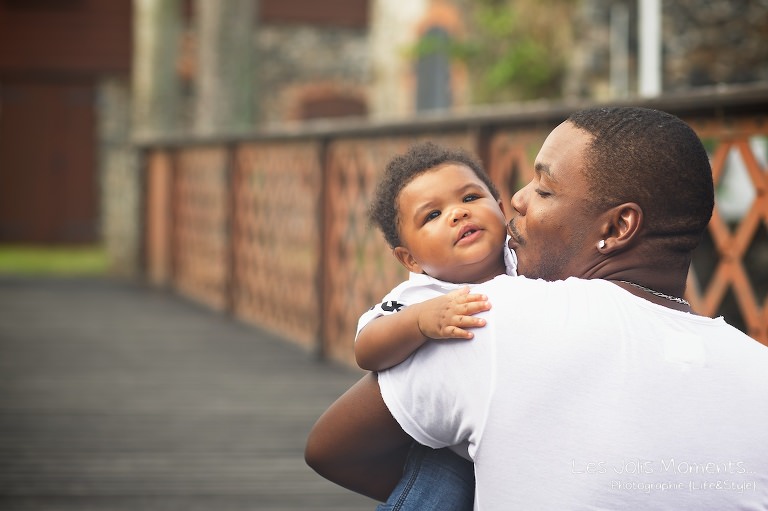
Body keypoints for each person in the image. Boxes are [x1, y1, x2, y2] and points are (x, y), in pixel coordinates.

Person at [305, 106, 768, 509]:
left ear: (619, 226)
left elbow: (332, 448)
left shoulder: (492, 317)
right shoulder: (758, 372)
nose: (518, 200)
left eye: (544, 190)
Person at [354, 141, 517, 510]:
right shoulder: (421, 295)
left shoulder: (525, 260)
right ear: (410, 258)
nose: (458, 214)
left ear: (500, 208)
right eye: (432, 215)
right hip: (449, 451)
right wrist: (420, 322)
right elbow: (367, 346)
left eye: (471, 198)